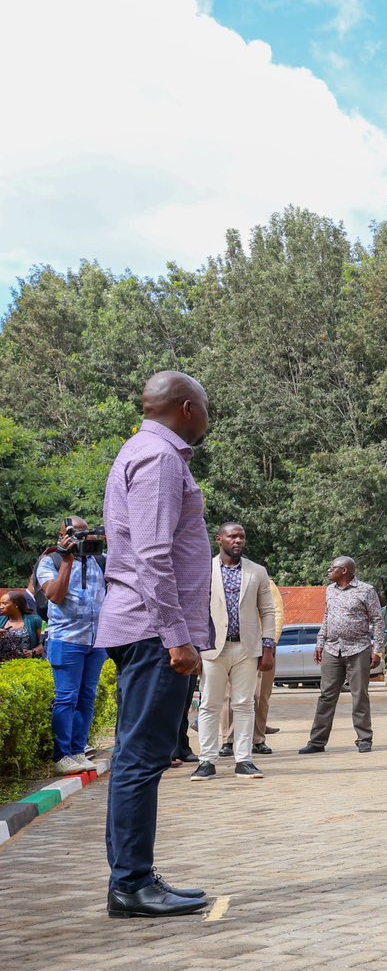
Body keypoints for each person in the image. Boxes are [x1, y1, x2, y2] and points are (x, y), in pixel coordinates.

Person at [93, 370, 214, 919]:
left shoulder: (142, 452)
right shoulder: (161, 458)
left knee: (135, 756)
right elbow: (153, 556)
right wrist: (177, 636)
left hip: (143, 629)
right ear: (187, 408)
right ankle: (131, 884)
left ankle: (133, 876)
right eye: (206, 410)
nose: (209, 421)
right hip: (151, 631)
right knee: (143, 758)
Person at [192, 523, 277, 780]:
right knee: (209, 705)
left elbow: (267, 611)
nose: (238, 540)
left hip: (246, 647)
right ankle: (207, 760)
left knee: (244, 704)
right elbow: (194, 609)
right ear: (220, 540)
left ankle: (244, 760)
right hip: (211, 647)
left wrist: (268, 646)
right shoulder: (204, 569)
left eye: (242, 536)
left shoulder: (257, 571)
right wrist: (195, 647)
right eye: (233, 536)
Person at [36, 515, 109, 775]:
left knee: (87, 697)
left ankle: (79, 750)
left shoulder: (100, 560)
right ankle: (62, 756)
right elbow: (54, 595)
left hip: (96, 641)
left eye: (85, 533)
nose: (83, 538)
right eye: (76, 533)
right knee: (66, 698)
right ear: (63, 536)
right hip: (66, 640)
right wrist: (67, 560)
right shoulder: (51, 560)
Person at [301, 557, 383, 754]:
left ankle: (364, 738)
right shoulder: (330, 590)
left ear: (344, 570)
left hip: (358, 649)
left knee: (359, 695)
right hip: (332, 648)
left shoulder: (365, 590)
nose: (329, 571)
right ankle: (317, 741)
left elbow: (378, 620)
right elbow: (327, 618)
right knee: (326, 695)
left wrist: (378, 649)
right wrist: (320, 643)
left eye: (333, 568)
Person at [0, 590, 44, 662]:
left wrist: (33, 652)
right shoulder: (1, 621)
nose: (1, 607)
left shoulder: (35, 620)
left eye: (4, 603)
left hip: (25, 666)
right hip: (3, 668)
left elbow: (44, 644)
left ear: (16, 604)